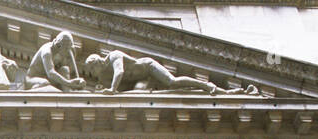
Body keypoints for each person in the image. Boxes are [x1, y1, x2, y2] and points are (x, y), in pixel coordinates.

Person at [82, 49, 227, 93]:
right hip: (141, 81)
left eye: (91, 71)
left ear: (96, 63)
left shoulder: (114, 56)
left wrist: (112, 89)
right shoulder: (104, 76)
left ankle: (205, 86)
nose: (92, 75)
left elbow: (119, 72)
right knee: (137, 93)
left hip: (148, 68)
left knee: (172, 81)